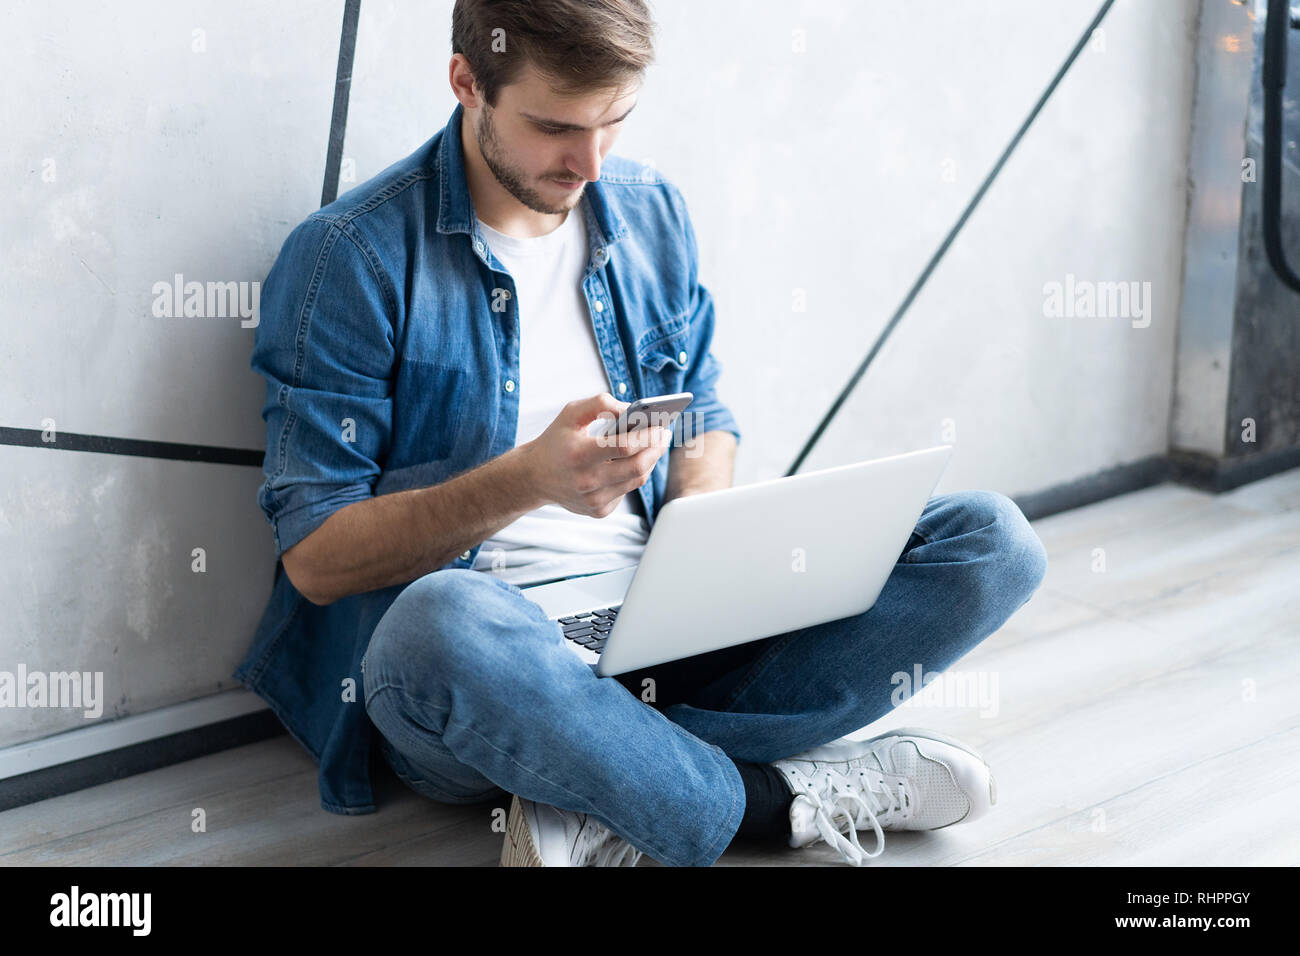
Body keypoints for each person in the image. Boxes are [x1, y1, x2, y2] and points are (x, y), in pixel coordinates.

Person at [236, 0, 1048, 867]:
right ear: (467, 81)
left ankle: (607, 785)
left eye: (613, 122)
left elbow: (704, 412)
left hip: (663, 623)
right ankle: (776, 800)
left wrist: (699, 531)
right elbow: (318, 559)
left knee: (992, 543)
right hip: (499, 664)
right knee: (440, 620)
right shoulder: (349, 258)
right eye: (555, 127)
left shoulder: (650, 212)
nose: (588, 162)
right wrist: (528, 481)